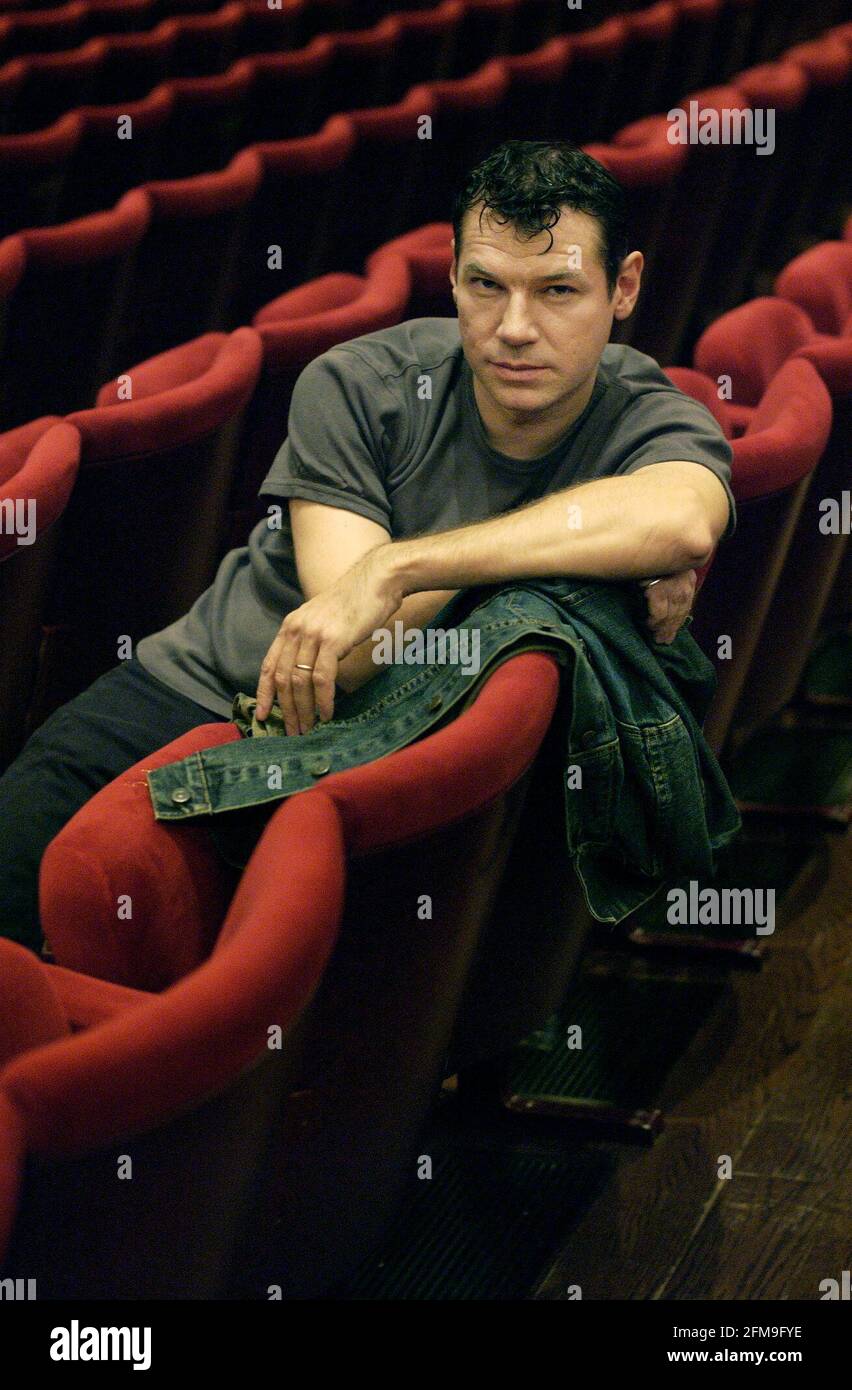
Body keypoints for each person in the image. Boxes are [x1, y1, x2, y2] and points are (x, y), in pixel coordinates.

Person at [0, 140, 735, 952]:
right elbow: (350, 653)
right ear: (451, 275)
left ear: (623, 287)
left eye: (558, 290)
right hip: (202, 685)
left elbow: (682, 521)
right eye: (487, 285)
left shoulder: (648, 412)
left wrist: (398, 566)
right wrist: (591, 554)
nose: (515, 328)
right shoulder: (359, 382)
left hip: (354, 749)